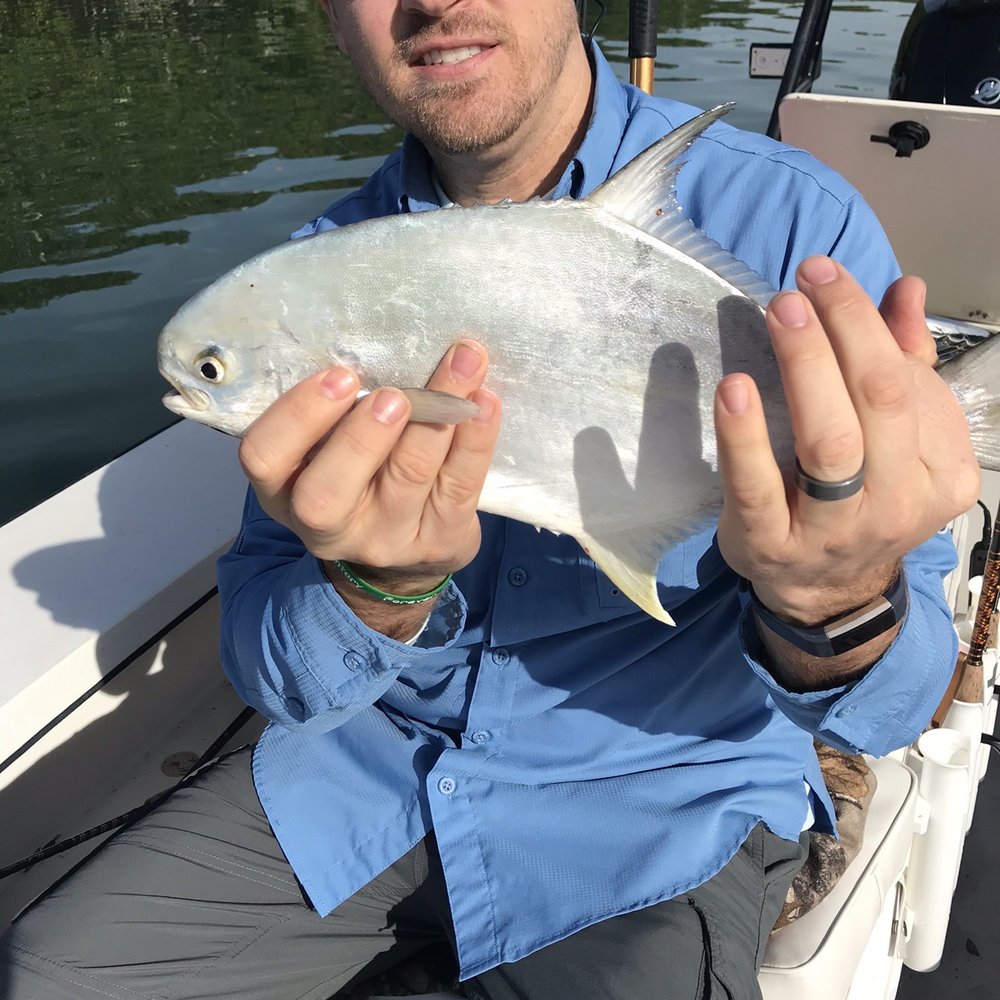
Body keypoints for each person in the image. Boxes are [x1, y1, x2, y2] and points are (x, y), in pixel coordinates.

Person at [1, 1, 980, 999]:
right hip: (365, 782)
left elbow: (892, 708)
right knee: (48, 977)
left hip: (663, 802)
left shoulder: (795, 224)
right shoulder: (314, 276)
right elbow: (279, 676)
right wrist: (374, 588)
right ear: (332, 18)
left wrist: (835, 598)